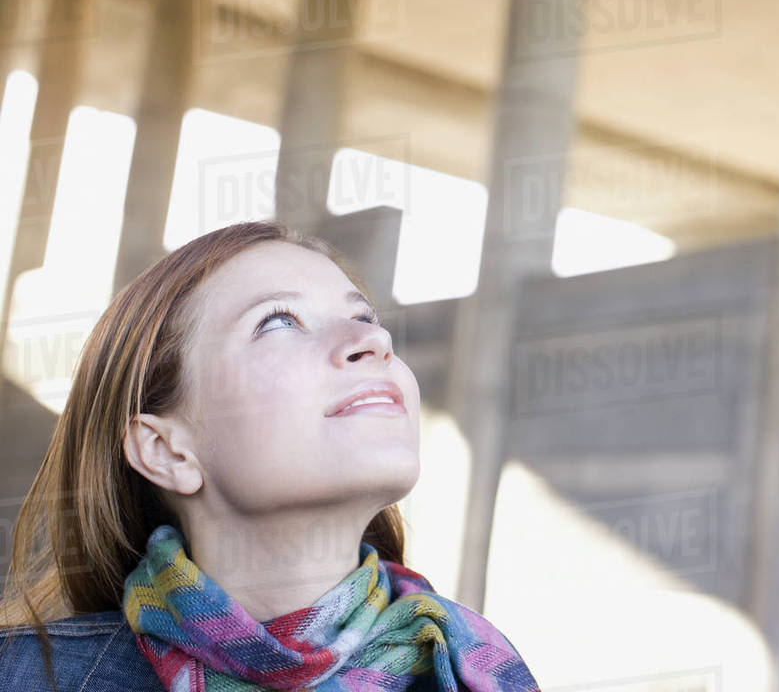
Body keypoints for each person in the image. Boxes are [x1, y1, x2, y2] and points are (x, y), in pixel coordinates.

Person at [0, 220, 539, 691]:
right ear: (166, 451)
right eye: (278, 321)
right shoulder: (23, 675)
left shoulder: (479, 671)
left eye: (366, 318)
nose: (372, 342)